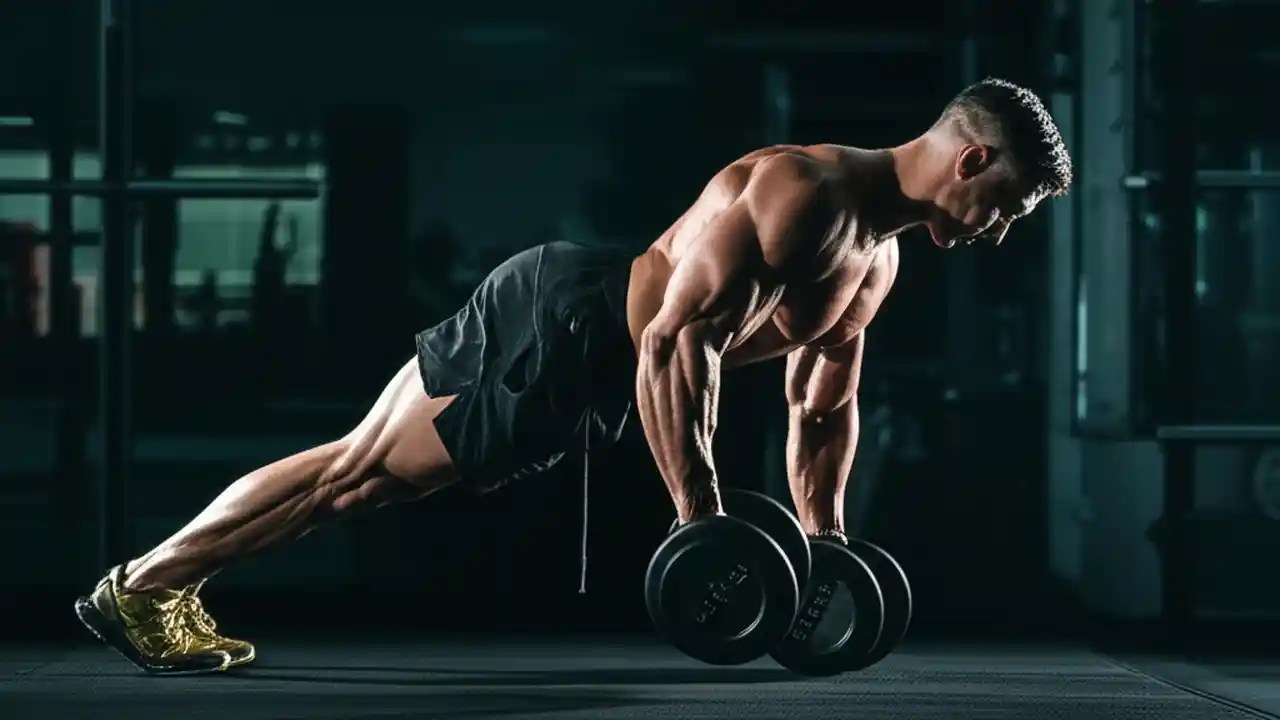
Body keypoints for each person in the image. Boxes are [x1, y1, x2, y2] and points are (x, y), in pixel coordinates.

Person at [75, 77, 1072, 674]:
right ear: (970, 159)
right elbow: (671, 346)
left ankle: (158, 583)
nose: (997, 233)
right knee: (358, 476)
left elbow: (822, 405)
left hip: (592, 367)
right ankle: (145, 585)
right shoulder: (800, 191)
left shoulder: (878, 255)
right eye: (1007, 208)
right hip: (565, 324)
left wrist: (823, 541)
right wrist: (699, 520)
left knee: (361, 479)